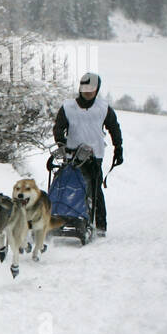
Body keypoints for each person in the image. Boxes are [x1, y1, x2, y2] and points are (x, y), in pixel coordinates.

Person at [52, 72, 123, 235]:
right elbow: (58, 128)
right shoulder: (68, 107)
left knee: (95, 189)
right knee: (66, 186)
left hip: (94, 155)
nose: (88, 92)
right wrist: (61, 143)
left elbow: (114, 128)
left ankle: (100, 226)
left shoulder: (103, 108)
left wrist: (118, 148)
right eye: (85, 88)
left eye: (91, 89)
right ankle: (61, 217)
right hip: (71, 155)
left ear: (97, 89)